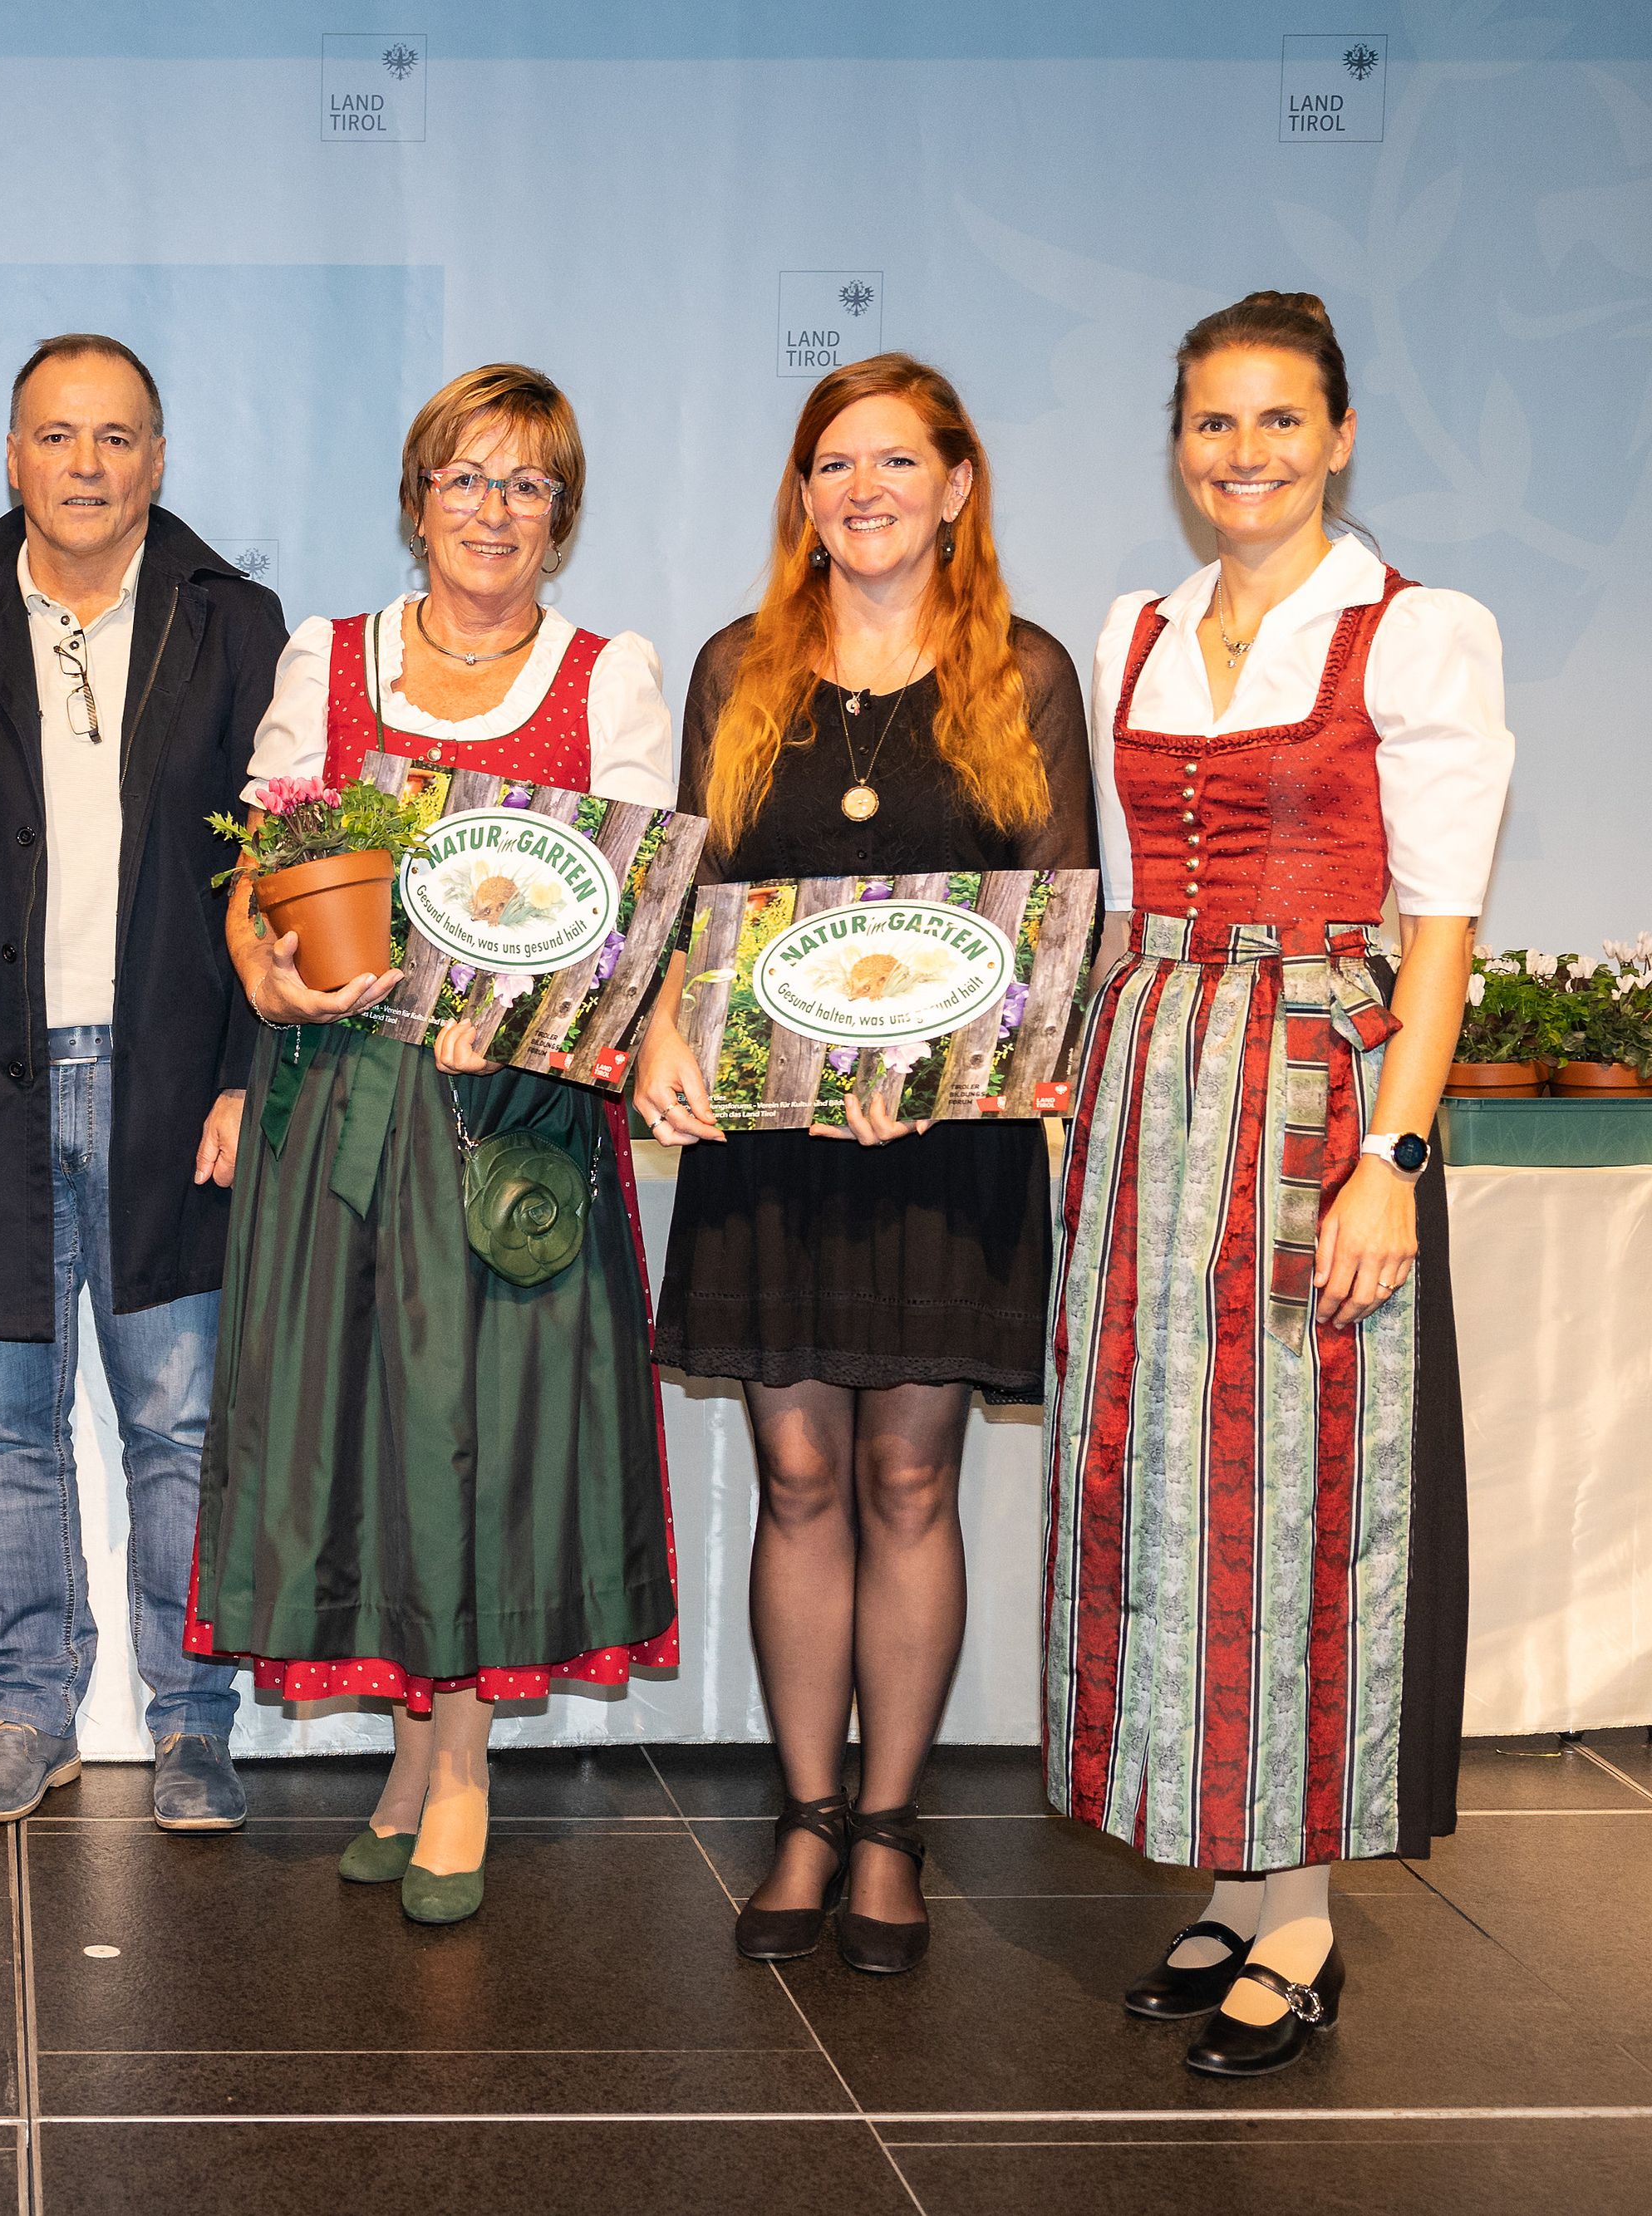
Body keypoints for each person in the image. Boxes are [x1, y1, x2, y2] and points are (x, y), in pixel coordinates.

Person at [1045, 292, 1507, 2076]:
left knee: (1305, 1483)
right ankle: (1233, 1879)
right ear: (1178, 441)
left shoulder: (1409, 632)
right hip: (1150, 1071)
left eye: (1273, 422)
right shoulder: (1137, 628)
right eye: (1210, 424)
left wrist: (1391, 1156)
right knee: (1175, 1477)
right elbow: (1116, 883)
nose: (1239, 454)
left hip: (1315, 1086)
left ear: (1332, 438)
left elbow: (1440, 920)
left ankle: (1302, 1905)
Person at [185, 364, 681, 1925]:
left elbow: (633, 915)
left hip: (506, 1118)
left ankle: (461, 1764)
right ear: (417, 502)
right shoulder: (326, 657)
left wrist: (522, 1008)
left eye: (528, 485)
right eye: (467, 478)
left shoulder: (614, 678)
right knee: (370, 1431)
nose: (494, 511)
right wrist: (262, 964)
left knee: (481, 1433)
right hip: (338, 1106)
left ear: (563, 518)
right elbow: (262, 874)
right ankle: (409, 1762)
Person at [628, 354, 1095, 1976]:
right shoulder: (733, 670)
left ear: (954, 485)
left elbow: (1051, 927)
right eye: (834, 464)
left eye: (895, 461)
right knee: (797, 1478)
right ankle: (803, 1813)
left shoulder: (1020, 673)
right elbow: (691, 908)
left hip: (939, 1146)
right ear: (801, 493)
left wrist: (949, 1069)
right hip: (771, 1145)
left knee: (907, 1477)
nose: (863, 490)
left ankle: (888, 1827)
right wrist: (659, 1037)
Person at [0, 336, 284, 1830]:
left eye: (117, 438)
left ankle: (191, 1723)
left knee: (178, 1422)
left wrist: (251, 1078)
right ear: (12, 458)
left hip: (173, 1088)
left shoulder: (235, 628)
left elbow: (283, 879)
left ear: (158, 461)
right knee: (9, 1425)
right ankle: (31, 1709)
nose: (87, 465)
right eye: (57, 436)